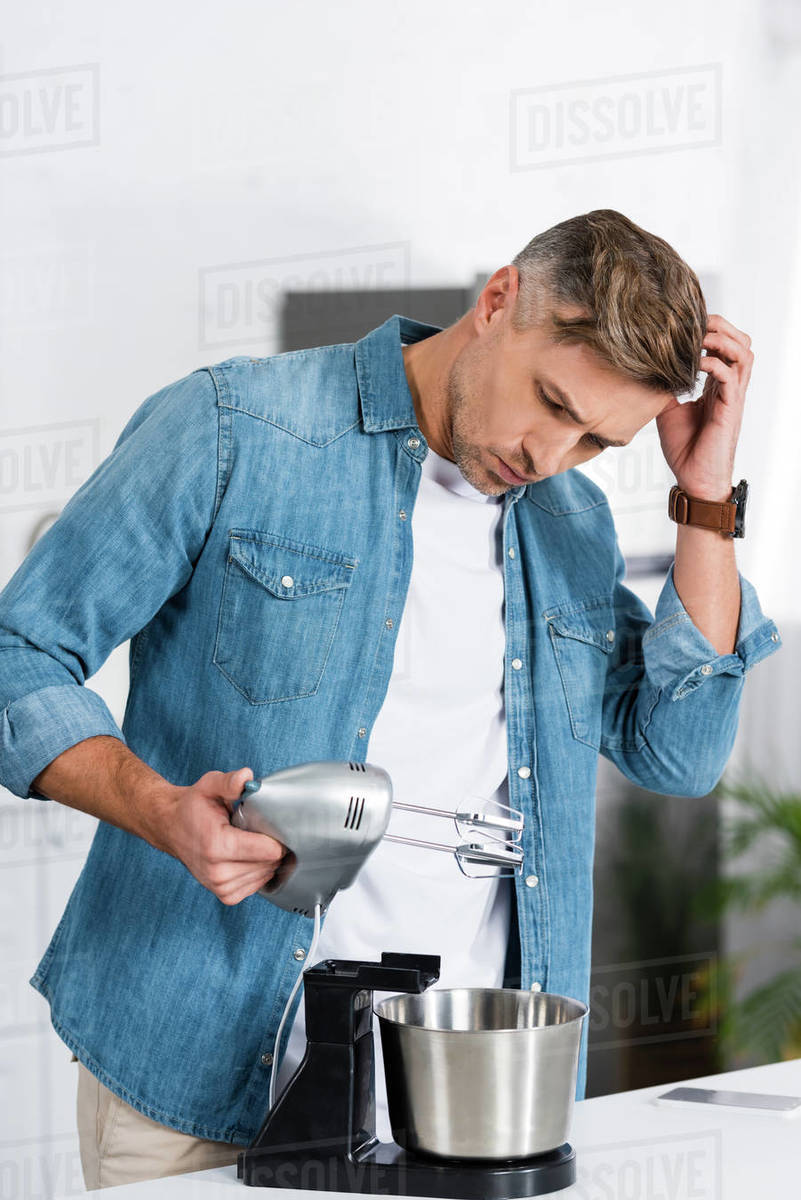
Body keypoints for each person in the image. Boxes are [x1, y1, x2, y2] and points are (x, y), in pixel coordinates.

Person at [0, 209, 781, 1190]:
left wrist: (703, 497)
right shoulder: (233, 430)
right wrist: (159, 811)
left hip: (469, 1091)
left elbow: (681, 750)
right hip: (197, 1068)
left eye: (596, 442)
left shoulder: (568, 523)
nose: (551, 456)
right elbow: (17, 652)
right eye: (550, 401)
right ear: (500, 300)